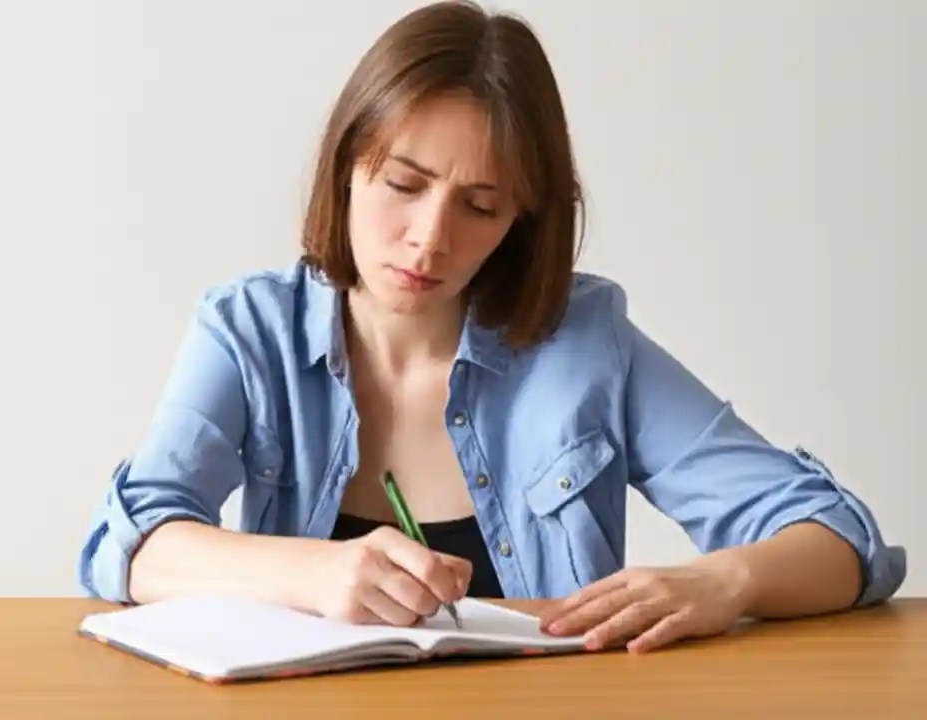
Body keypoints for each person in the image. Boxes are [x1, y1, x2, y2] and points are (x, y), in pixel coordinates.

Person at [77, 0, 906, 653]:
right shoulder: (248, 330)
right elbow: (131, 544)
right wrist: (317, 572)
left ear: (521, 219)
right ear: (347, 166)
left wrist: (723, 584)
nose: (430, 238)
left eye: (480, 206)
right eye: (404, 184)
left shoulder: (585, 344)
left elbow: (840, 540)